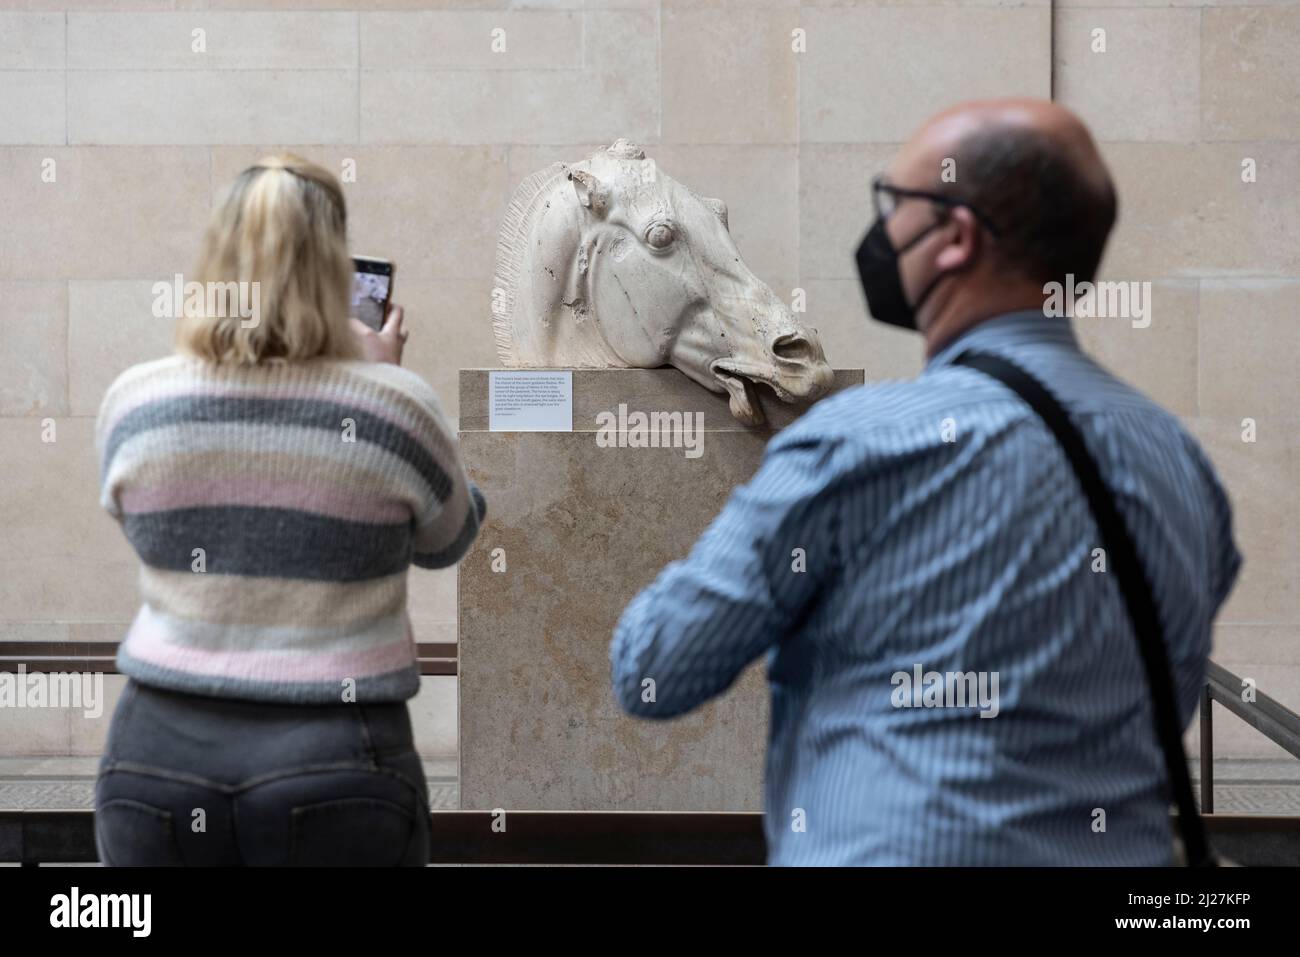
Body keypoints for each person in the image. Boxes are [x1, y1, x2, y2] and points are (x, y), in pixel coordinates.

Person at [609, 98, 1242, 865]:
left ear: (956, 238)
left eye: (894, 206)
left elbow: (655, 666)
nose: (880, 235)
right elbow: (1160, 706)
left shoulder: (855, 445)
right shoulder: (1179, 460)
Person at [93, 154, 484, 866]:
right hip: (336, 755)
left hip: (154, 754)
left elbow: (151, 526)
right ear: (334, 268)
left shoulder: (135, 403)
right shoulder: (393, 404)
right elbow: (449, 537)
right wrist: (379, 382)